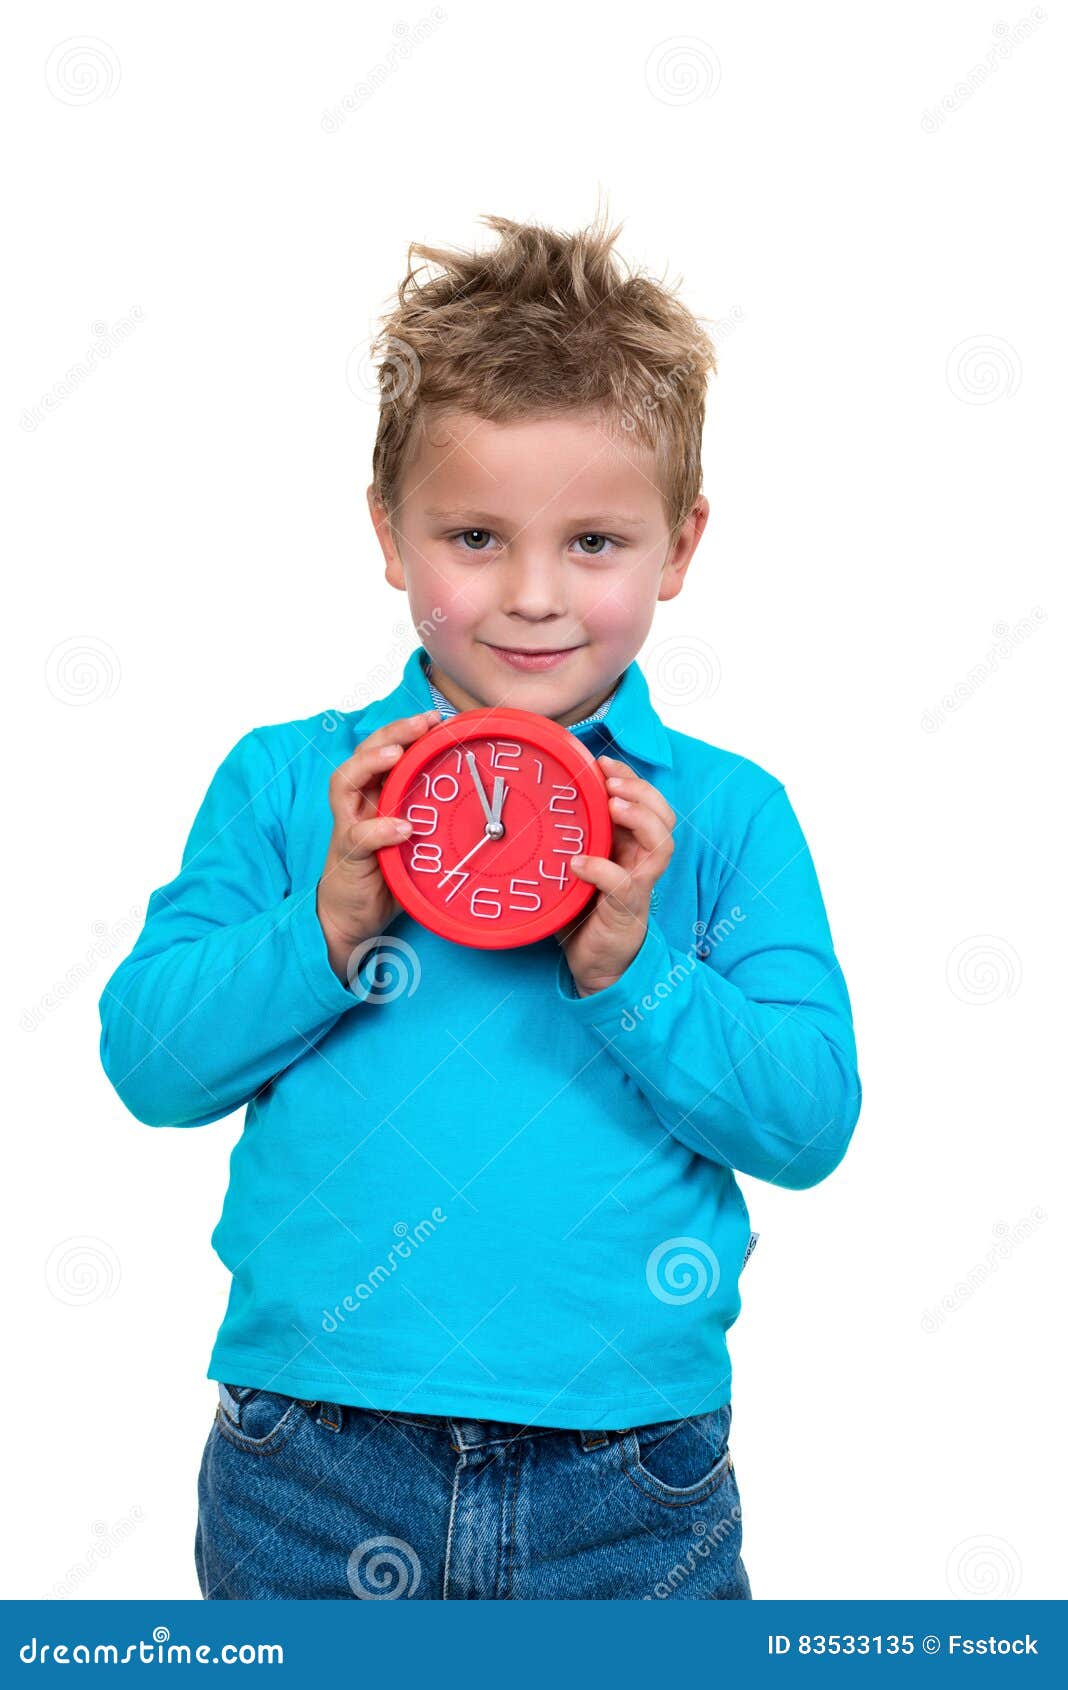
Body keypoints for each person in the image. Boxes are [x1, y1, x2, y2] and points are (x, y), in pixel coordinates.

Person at [98, 209, 862, 1600]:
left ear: (679, 546)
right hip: (313, 1455)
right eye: (472, 534)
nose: (529, 596)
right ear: (389, 534)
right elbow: (149, 1064)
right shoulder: (291, 784)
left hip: (630, 1471)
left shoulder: (725, 814)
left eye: (592, 540)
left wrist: (637, 973)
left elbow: (809, 1122)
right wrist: (326, 927)